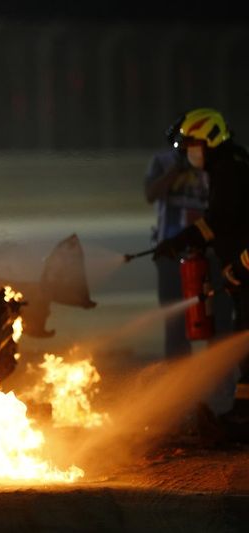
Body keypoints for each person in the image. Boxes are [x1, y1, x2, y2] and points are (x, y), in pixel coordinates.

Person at [154, 108, 249, 430]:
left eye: (192, 143)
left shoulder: (230, 171)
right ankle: (242, 410)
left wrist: (181, 240)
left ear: (209, 137)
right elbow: (224, 223)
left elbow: (223, 221)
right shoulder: (229, 166)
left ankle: (244, 417)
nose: (189, 151)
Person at [145, 114, 233, 361]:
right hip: (172, 253)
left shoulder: (219, 165)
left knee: (220, 321)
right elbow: (151, 194)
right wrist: (177, 169)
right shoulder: (162, 162)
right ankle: (179, 382)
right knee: (175, 325)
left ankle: (219, 380)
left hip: (213, 253)